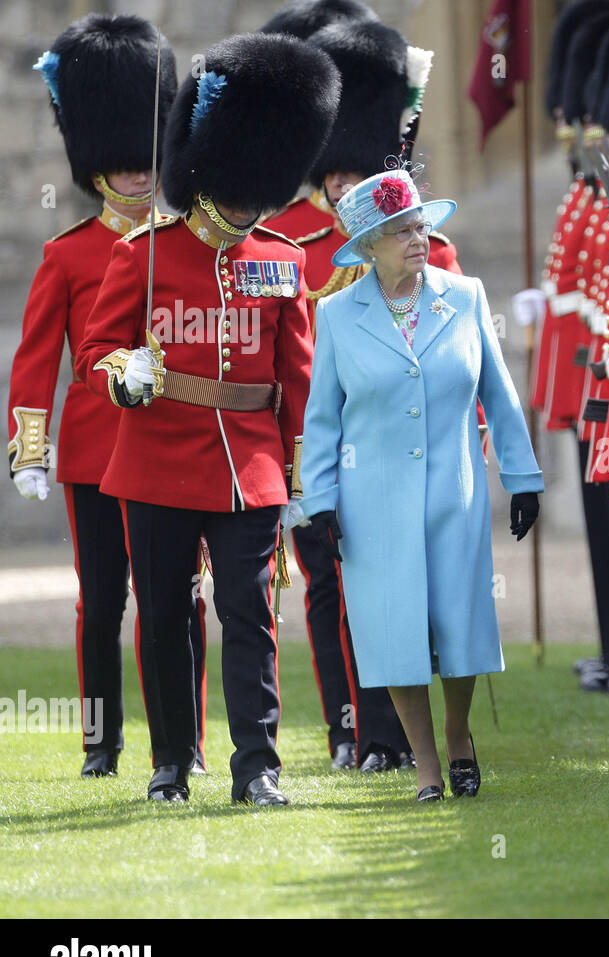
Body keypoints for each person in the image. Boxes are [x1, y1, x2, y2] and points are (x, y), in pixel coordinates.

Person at [76, 32, 340, 806]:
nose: (246, 201)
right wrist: (125, 374)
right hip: (156, 458)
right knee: (162, 617)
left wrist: (303, 471)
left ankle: (257, 766)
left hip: (250, 465)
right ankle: (170, 759)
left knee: (249, 616)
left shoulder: (282, 259)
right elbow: (95, 350)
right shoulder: (144, 254)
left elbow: (299, 376)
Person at [295, 168, 544, 802]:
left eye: (420, 225)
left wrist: (522, 478)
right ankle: (427, 763)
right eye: (400, 230)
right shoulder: (336, 316)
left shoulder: (464, 296)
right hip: (371, 503)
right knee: (392, 631)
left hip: (452, 497)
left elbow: (499, 394)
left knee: (458, 624)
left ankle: (458, 733)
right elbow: (321, 419)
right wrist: (318, 502)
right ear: (369, 246)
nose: (417, 237)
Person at [261, 1, 462, 773]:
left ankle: (403, 732)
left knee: (398, 589)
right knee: (327, 589)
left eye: (355, 166)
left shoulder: (430, 248)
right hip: (319, 447)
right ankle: (352, 725)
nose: (342, 181)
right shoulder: (288, 246)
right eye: (333, 169)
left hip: (405, 442)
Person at [10, 13, 210, 779]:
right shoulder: (68, 256)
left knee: (181, 602)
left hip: (170, 446)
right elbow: (35, 362)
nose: (137, 173)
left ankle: (185, 744)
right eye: (123, 164)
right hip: (96, 454)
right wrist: (31, 448)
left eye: (144, 160)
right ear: (96, 167)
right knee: (102, 607)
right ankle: (101, 744)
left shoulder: (183, 244)